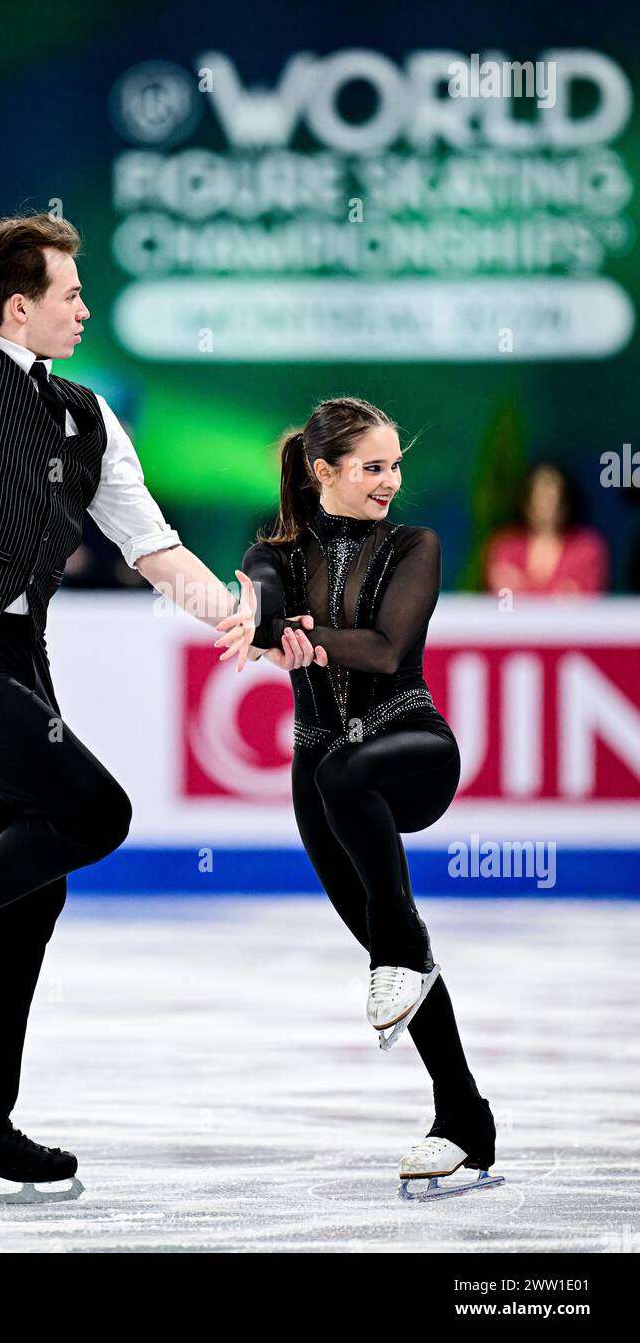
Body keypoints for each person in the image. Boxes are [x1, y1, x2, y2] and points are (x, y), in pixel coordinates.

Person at [0, 0, 256, 1199]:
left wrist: (232, 610)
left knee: (32, 896)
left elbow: (151, 549)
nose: (87, 303)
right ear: (13, 301)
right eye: (68, 289)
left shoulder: (90, 420)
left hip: (21, 667)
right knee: (96, 817)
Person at [213, 396, 501, 1196]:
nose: (389, 482)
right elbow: (264, 599)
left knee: (354, 789)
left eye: (393, 466)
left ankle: (399, 951)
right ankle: (464, 1121)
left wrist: (300, 632)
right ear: (323, 473)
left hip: (410, 749)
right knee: (398, 944)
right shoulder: (277, 550)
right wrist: (262, 619)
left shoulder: (416, 545)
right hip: (320, 778)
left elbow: (385, 648)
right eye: (372, 467)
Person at [484, 462, 609, 595]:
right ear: (526, 502)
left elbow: (582, 600)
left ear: (566, 502)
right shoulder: (505, 548)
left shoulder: (587, 548)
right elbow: (505, 599)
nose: (548, 506)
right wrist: (557, 591)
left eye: (554, 497)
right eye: (540, 497)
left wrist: (523, 588)